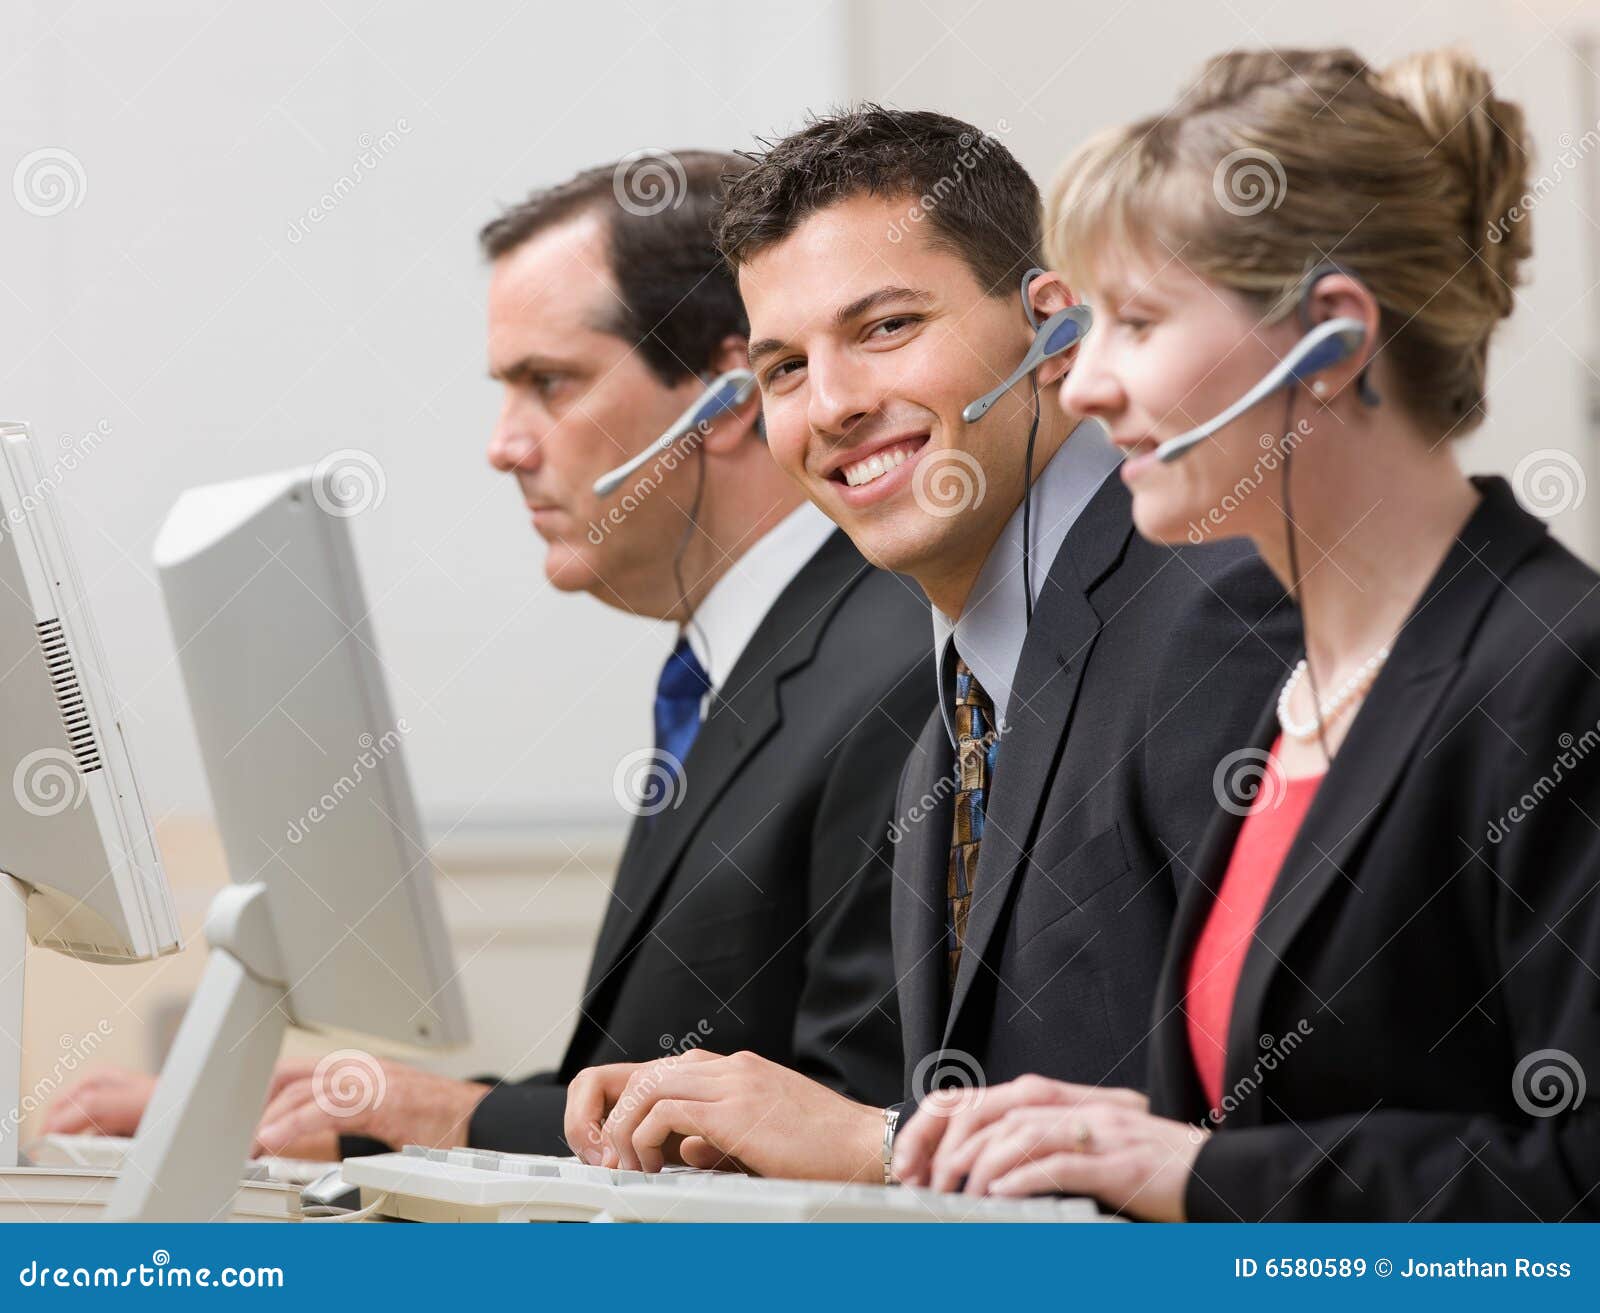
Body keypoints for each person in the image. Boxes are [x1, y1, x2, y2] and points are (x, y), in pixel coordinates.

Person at [43, 151, 932, 1158]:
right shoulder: (736, 665)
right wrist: (359, 1118)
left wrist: (446, 1116)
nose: (504, 445)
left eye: (548, 384)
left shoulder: (894, 671)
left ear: (725, 400)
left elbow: (851, 1124)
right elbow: (641, 1086)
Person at [892, 46, 1600, 1222]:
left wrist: (1193, 1172)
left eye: (1137, 322)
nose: (1084, 385)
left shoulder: (1553, 672)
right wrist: (1137, 1136)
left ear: (1331, 337)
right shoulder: (1298, 701)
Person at [562, 107, 1297, 1183]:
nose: (835, 406)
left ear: (1052, 327)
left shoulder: (1211, 615)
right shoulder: (955, 712)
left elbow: (1274, 1147)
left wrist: (874, 1143)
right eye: (782, 370)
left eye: (887, 327)